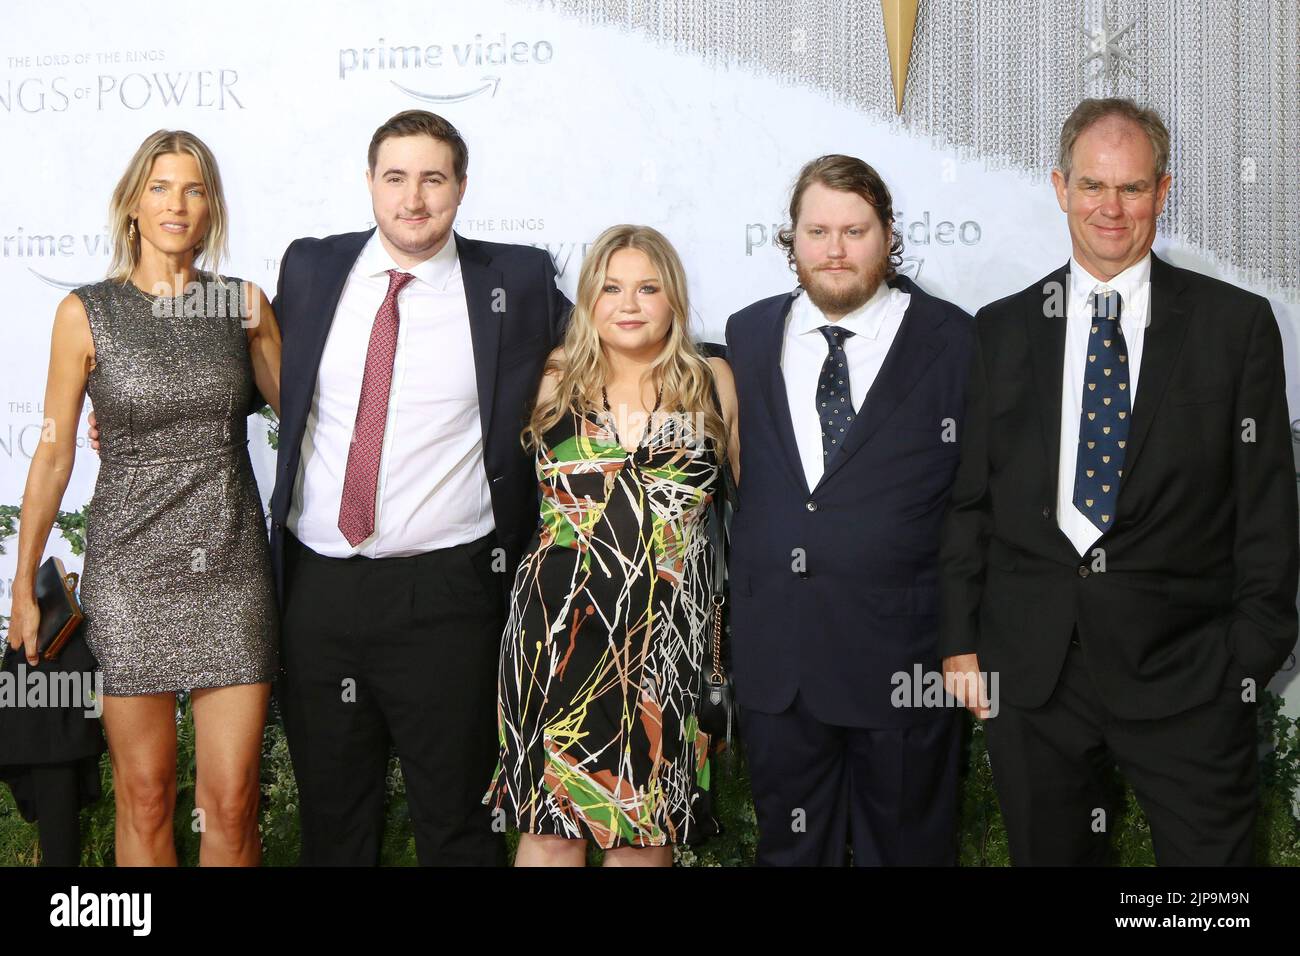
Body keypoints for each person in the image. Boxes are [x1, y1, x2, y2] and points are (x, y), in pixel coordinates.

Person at [939, 98, 1298, 865]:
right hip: (1034, 675)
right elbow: (970, 499)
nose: (1112, 208)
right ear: (1060, 187)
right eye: (1093, 186)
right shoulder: (1000, 330)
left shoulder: (1235, 328)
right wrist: (961, 644)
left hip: (1189, 673)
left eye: (1132, 188)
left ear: (1163, 193)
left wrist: (1248, 656)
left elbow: (1268, 510)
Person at [268, 110, 571, 865]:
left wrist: (723, 377)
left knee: (458, 823)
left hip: (448, 594)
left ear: (462, 187)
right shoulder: (309, 269)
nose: (414, 198)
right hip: (320, 591)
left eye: (433, 178)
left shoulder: (516, 280)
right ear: (369, 183)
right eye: (395, 177)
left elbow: (623, 339)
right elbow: (263, 375)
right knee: (333, 825)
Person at [15, 129, 282, 866]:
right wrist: (22, 583)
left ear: (212, 209)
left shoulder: (244, 305)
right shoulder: (85, 312)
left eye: (195, 189)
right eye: (161, 186)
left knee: (231, 802)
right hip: (129, 573)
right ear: (133, 203)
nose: (178, 203)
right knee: (146, 792)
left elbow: (305, 410)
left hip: (230, 569)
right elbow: (53, 452)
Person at [724, 155, 973, 865]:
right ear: (791, 241)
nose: (835, 249)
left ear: (889, 235)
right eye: (818, 231)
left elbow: (974, 505)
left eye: (855, 230)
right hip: (780, 665)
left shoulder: (955, 341)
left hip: (903, 662)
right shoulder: (746, 336)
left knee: (909, 854)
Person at [483, 224, 740, 867]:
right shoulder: (551, 379)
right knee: (546, 835)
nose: (629, 304)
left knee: (644, 839)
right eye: (611, 288)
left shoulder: (711, 381)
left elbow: (759, 505)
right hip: (557, 636)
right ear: (588, 299)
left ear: (674, 299)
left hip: (666, 645)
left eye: (648, 288)